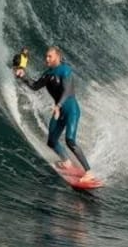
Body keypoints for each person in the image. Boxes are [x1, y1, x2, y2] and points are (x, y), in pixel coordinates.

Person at [14, 45, 95, 174]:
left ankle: (89, 172)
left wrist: (58, 106)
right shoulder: (47, 74)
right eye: (46, 56)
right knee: (52, 141)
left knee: (70, 140)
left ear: (58, 57)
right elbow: (35, 86)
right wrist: (23, 76)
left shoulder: (65, 70)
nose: (46, 58)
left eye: (49, 56)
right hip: (59, 111)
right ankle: (67, 162)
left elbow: (67, 90)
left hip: (70, 109)